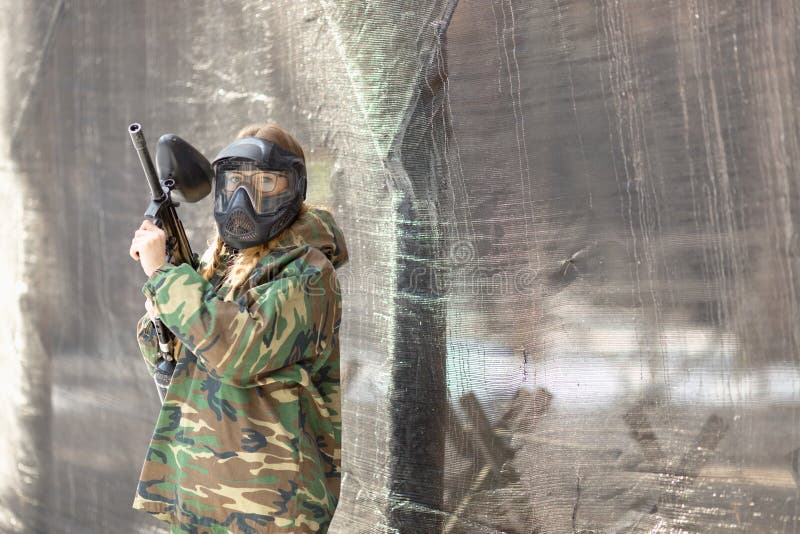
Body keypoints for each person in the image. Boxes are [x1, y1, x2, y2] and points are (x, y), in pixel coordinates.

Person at [128, 123, 348, 533]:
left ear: (294, 189)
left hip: (271, 509)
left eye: (266, 181)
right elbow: (175, 361)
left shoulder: (309, 273)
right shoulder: (219, 268)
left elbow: (237, 351)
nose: (248, 197)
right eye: (238, 183)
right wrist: (162, 302)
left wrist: (165, 279)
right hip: (198, 495)